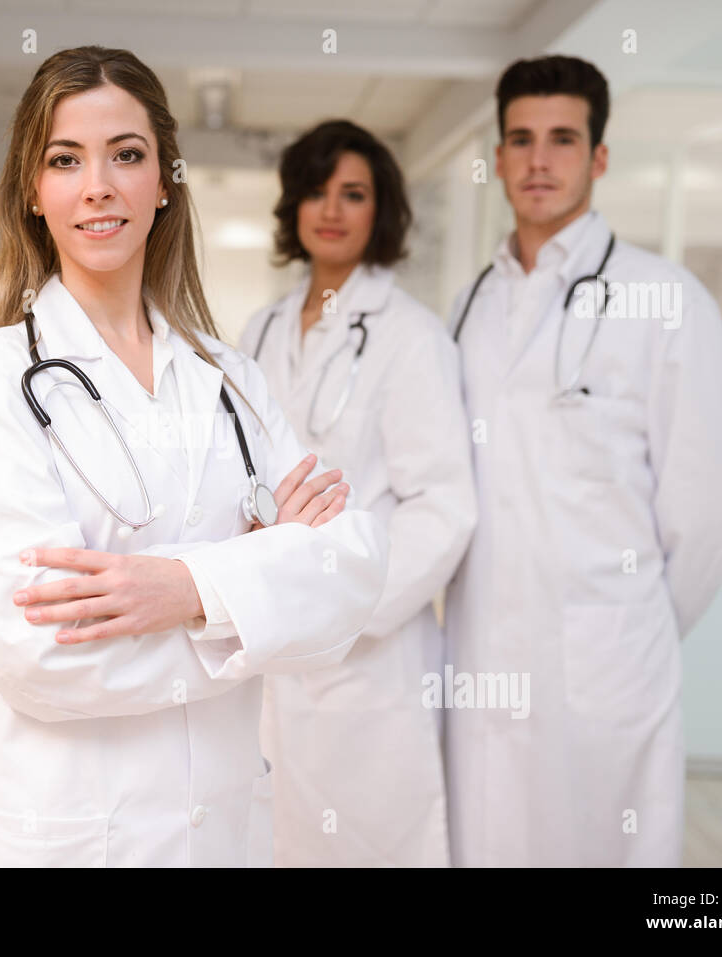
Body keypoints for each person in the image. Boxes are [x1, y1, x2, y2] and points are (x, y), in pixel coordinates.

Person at [0, 46, 388, 868]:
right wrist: (253, 593)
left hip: (219, 833)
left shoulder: (232, 381)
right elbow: (44, 655)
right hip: (56, 837)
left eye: (126, 155)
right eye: (65, 159)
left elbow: (350, 567)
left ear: (165, 180)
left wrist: (182, 588)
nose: (97, 184)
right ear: (34, 192)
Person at [443, 55, 722, 867]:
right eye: (521, 139)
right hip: (481, 659)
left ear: (599, 157)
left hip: (606, 666)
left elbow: (711, 511)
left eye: (563, 139)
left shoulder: (668, 300)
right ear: (500, 157)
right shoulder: (472, 304)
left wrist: (624, 625)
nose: (539, 161)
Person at [240, 120, 476, 866]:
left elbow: (443, 503)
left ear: (383, 211)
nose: (332, 210)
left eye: (354, 193)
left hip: (368, 652)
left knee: (371, 839)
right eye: (316, 191)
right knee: (272, 833)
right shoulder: (261, 330)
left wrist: (351, 606)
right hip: (275, 636)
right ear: (292, 207)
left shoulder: (411, 335)